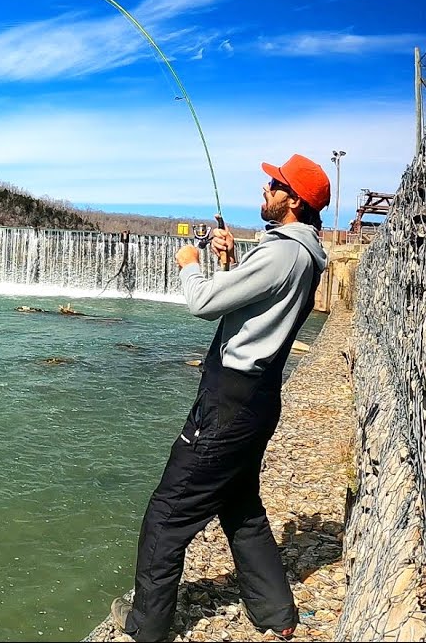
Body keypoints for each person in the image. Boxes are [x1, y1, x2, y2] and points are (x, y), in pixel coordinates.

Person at [111, 153, 332, 641]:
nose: (265, 190)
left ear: (294, 201)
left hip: (229, 401)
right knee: (239, 503)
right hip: (258, 396)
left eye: (275, 185)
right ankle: (276, 613)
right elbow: (257, 305)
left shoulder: (282, 253)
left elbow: (203, 303)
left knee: (166, 515)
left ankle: (146, 626)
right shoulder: (303, 252)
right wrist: (229, 263)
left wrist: (190, 265)